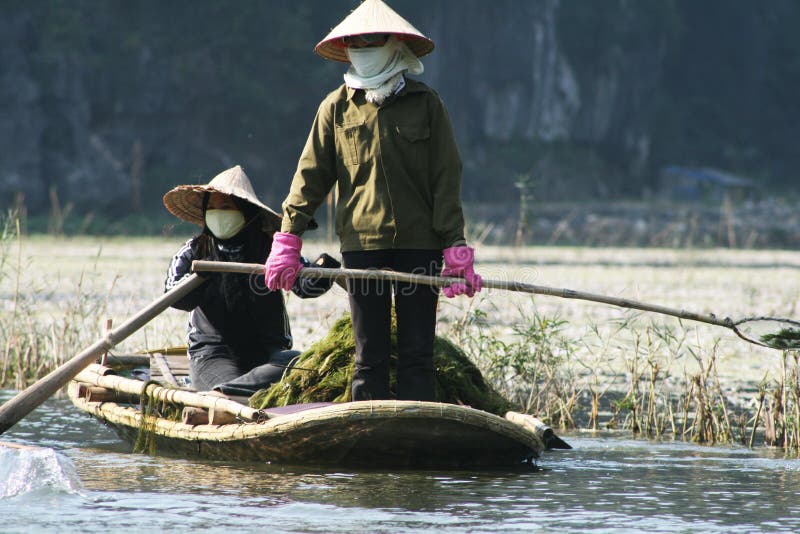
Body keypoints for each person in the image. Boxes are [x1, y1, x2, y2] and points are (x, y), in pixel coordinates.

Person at [264, 0, 482, 402]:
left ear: (395, 45)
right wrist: (288, 239)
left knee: (418, 353)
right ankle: (366, 433)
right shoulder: (336, 107)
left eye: (371, 42)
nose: (363, 48)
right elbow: (310, 176)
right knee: (370, 354)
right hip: (362, 248)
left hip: (421, 244)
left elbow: (446, 178)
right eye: (356, 43)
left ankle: (418, 431)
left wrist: (455, 243)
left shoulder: (426, 104)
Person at [163, 165, 339, 396]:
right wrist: (202, 276)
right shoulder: (194, 251)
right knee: (227, 383)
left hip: (268, 354)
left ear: (245, 213)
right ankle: (227, 392)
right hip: (214, 354)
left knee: (298, 362)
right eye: (212, 208)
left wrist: (323, 270)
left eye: (226, 207)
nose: (218, 213)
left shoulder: (271, 251)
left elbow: (305, 286)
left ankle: (232, 392)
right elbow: (173, 296)